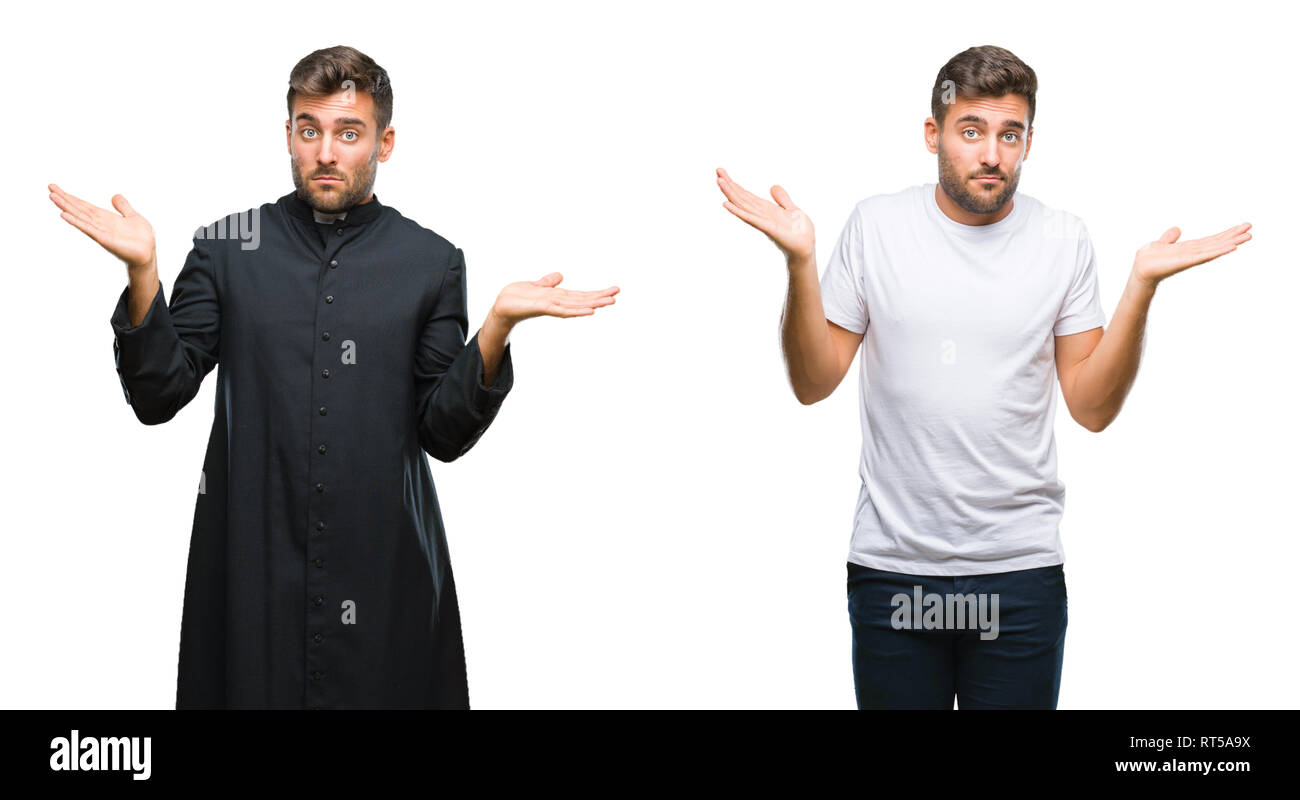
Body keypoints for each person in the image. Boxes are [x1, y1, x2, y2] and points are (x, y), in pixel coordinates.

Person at [49, 45, 619, 709]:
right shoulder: (227, 247)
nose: (326, 152)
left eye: (348, 133)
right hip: (253, 573)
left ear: (385, 140)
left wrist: (496, 328)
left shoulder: (431, 262)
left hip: (384, 577)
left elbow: (441, 431)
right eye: (309, 129)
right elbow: (158, 395)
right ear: (288, 133)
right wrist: (143, 273)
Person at [717, 44, 1251, 709]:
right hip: (895, 574)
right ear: (933, 133)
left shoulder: (1063, 238)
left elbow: (1090, 406)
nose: (991, 153)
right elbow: (812, 381)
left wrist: (1140, 285)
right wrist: (799, 264)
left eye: (1009, 134)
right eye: (971, 131)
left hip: (1019, 574)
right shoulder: (876, 226)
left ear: (1029, 141)